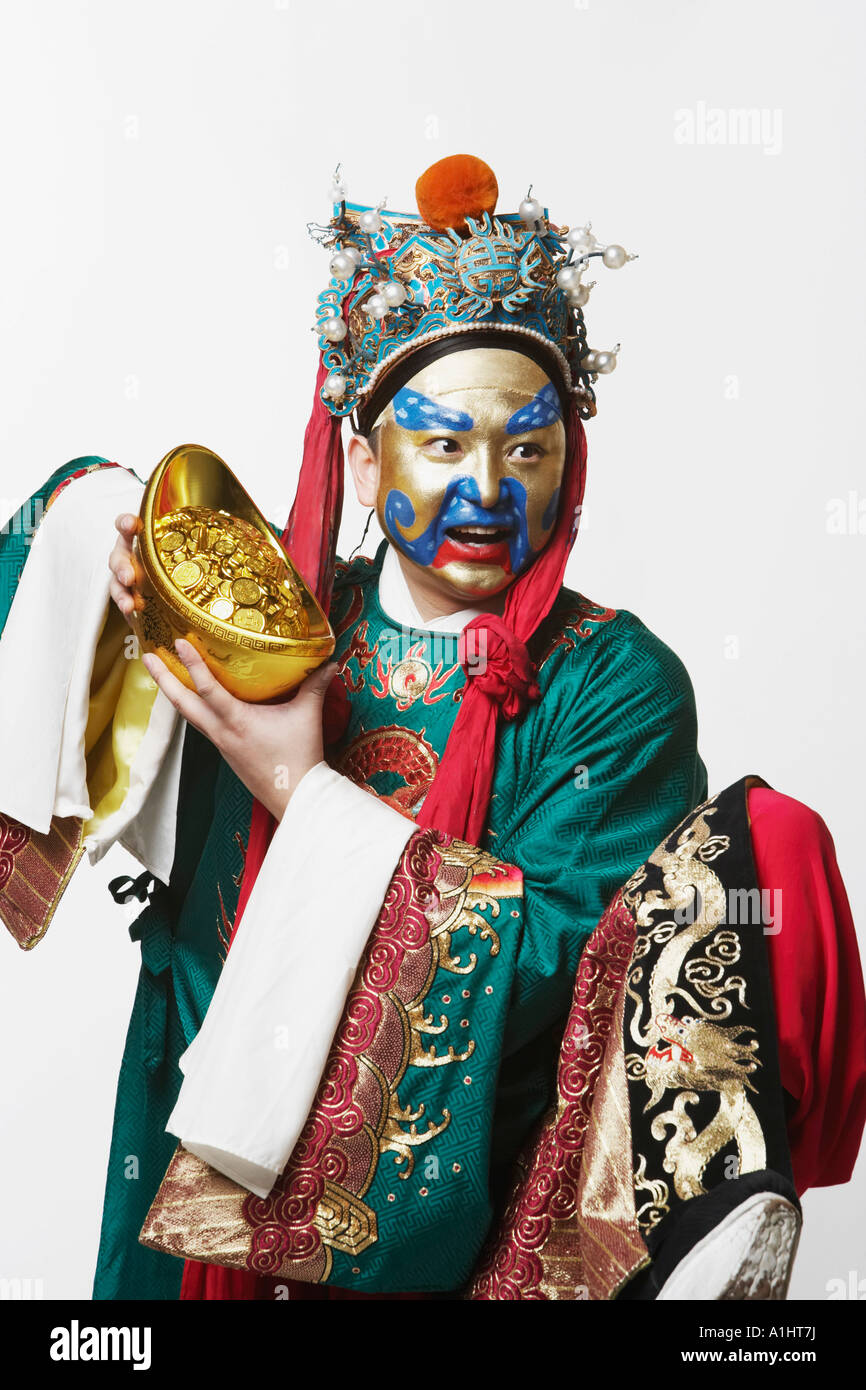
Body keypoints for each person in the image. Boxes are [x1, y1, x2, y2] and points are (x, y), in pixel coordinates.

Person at [1, 154, 863, 1301]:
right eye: (443, 443)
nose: (487, 488)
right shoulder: (274, 616)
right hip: (206, 1135)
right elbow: (52, 582)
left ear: (570, 459)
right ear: (362, 457)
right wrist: (115, 530)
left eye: (526, 446)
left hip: (467, 1191)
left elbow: (566, 957)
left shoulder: (610, 678)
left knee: (769, 849)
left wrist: (305, 798)